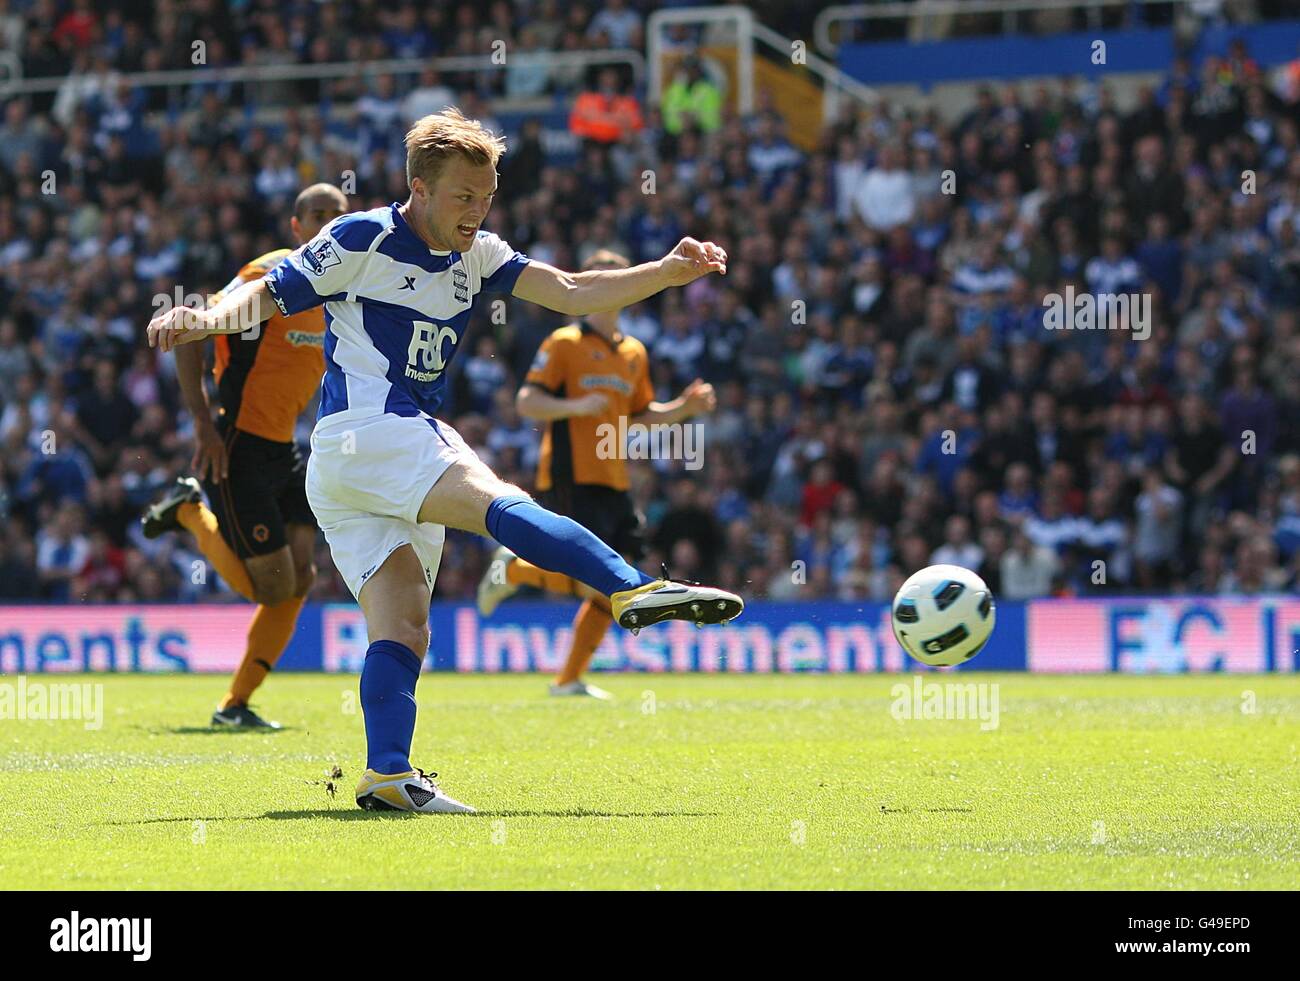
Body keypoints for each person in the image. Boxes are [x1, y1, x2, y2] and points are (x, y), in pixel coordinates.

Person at [147, 108, 743, 814]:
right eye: (464, 196)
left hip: (349, 471)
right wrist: (205, 318)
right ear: (420, 188)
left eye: (487, 196)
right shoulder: (362, 236)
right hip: (374, 431)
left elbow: (574, 290)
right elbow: (269, 293)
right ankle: (629, 586)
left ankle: (389, 775)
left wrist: (667, 273)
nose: (477, 211)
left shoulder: (480, 253)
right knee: (494, 498)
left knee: (404, 625)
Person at [141, 183, 348, 729]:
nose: (329, 224)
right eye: (318, 215)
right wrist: (204, 425)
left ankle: (235, 706)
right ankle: (188, 510)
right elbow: (190, 331)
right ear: (296, 226)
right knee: (272, 587)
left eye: (338, 216)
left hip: (287, 449)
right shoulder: (269, 275)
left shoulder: (342, 289)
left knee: (300, 580)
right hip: (237, 445)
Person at [475, 248, 717, 699]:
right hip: (570, 476)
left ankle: (567, 680)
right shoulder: (565, 342)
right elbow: (528, 401)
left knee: (616, 584)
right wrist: (574, 406)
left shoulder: (633, 353)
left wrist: (684, 408)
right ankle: (515, 573)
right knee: (598, 578)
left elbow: (638, 417)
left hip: (614, 480)